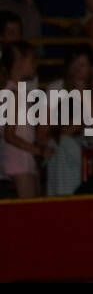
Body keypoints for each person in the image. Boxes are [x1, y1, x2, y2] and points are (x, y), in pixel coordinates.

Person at [45, 46, 93, 196]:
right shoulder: (55, 88)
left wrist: (83, 94)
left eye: (82, 65)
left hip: (91, 141)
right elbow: (48, 130)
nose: (77, 69)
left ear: (92, 68)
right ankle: (66, 195)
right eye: (74, 64)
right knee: (63, 143)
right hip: (62, 140)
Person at [2, 41, 50, 197]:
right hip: (18, 159)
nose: (35, 64)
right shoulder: (13, 94)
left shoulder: (18, 91)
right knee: (28, 211)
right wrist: (38, 151)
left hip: (23, 157)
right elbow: (9, 135)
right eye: (32, 60)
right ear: (19, 63)